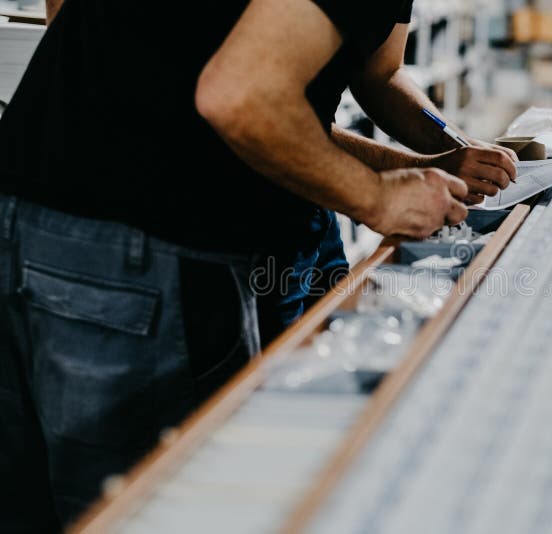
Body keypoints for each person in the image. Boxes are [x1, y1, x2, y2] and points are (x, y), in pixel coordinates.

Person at [0, 0, 517, 530]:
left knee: (31, 507)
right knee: (151, 510)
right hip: (138, 244)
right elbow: (243, 99)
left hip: (26, 199)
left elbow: (376, 72)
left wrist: (447, 150)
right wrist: (378, 199)